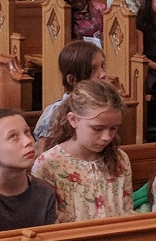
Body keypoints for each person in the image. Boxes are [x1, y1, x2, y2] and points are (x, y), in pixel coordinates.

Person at [33, 78, 134, 221]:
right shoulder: (49, 164)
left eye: (113, 128)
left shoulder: (120, 159)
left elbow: (126, 210)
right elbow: (45, 220)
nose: (106, 137)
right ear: (73, 120)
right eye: (97, 128)